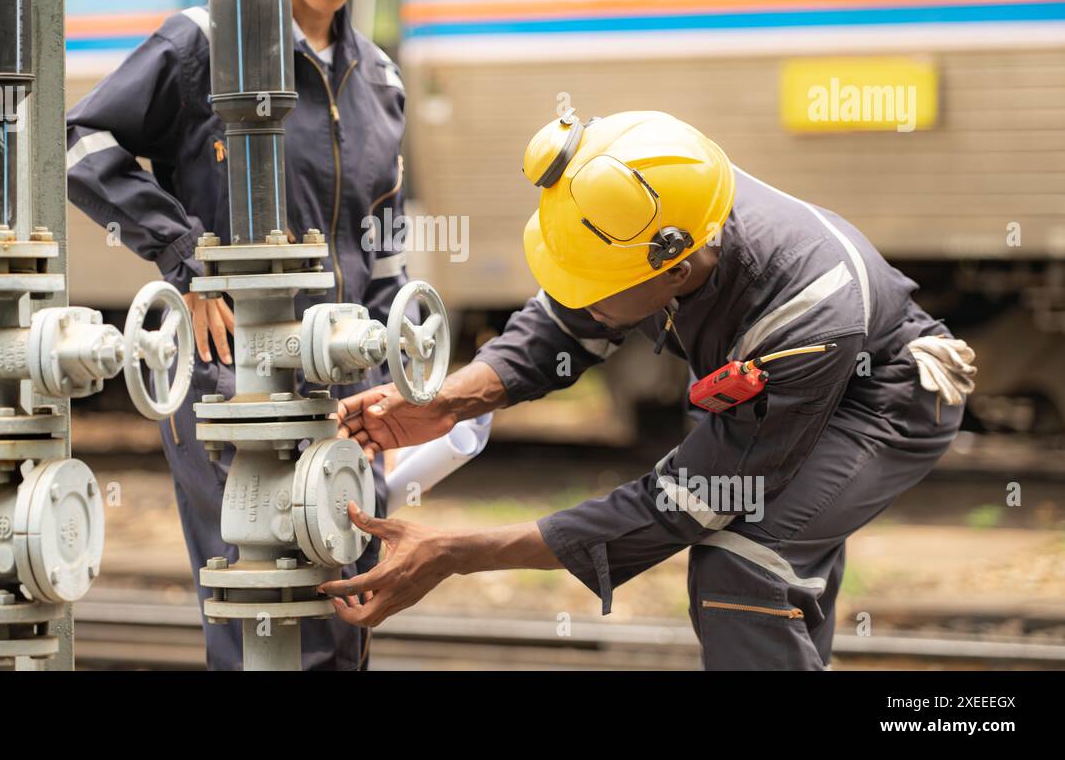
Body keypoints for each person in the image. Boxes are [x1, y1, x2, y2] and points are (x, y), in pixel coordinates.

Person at [325, 110, 977, 670]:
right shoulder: (647, 201)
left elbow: (684, 504)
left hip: (885, 399)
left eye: (599, 291)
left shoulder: (806, 316)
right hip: (793, 392)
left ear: (678, 267)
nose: (585, 301)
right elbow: (563, 322)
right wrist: (444, 401)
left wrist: (456, 553)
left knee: (745, 563)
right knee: (775, 572)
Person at [64, 0, 481, 670]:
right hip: (226, 389)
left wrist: (397, 384)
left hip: (347, 393)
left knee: (344, 611)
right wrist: (183, 256)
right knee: (263, 616)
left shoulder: (380, 83)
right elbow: (82, 144)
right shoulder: (201, 45)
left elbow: (384, 243)